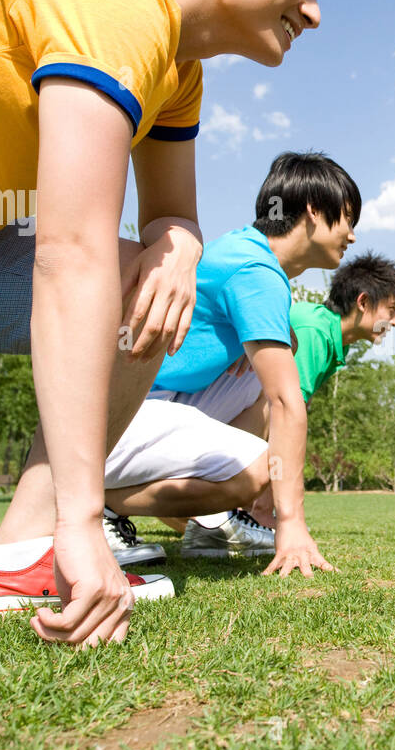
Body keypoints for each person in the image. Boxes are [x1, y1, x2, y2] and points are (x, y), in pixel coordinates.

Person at [0, 0, 347, 642]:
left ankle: (22, 546)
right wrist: (88, 522)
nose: (316, 12)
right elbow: (70, 248)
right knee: (111, 273)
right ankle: (70, 526)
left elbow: (168, 219)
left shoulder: (180, 68)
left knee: (152, 288)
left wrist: (180, 244)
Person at [113, 152, 361, 574]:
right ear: (315, 210)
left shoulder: (248, 256)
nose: (352, 237)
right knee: (264, 468)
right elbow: (287, 403)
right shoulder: (254, 269)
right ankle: (91, 503)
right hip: (113, 423)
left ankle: (213, 526)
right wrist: (292, 523)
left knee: (266, 377)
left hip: (145, 410)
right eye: (348, 220)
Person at [290, 251, 395, 404]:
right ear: (363, 302)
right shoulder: (315, 331)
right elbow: (289, 408)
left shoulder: (338, 340)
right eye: (391, 309)